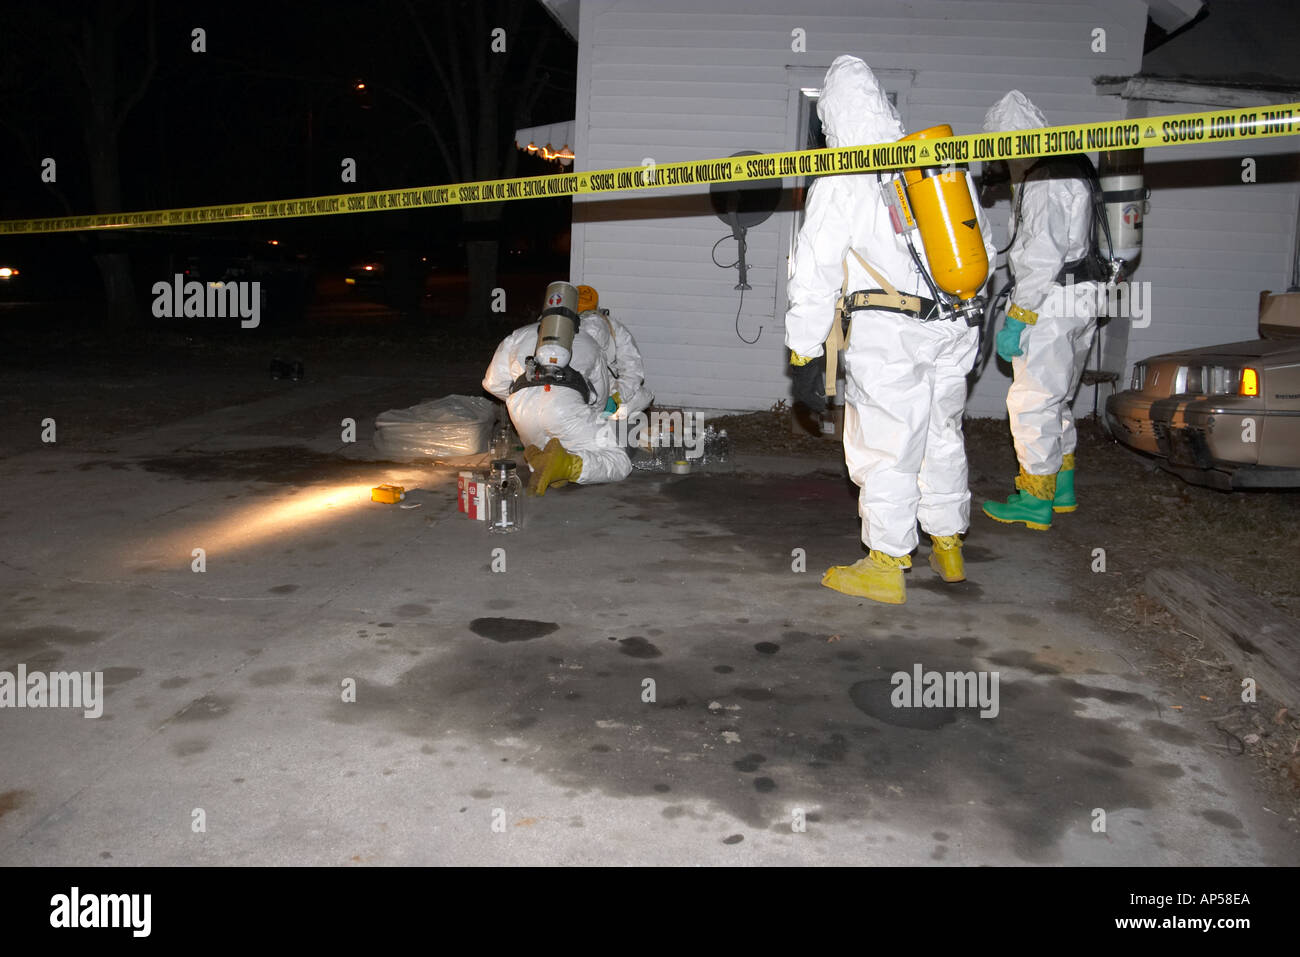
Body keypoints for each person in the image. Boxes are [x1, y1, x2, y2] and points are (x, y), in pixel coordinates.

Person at [785, 55, 996, 605]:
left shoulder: (843, 176)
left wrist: (805, 351)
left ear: (832, 118)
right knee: (941, 434)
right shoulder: (936, 163)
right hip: (956, 323)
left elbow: (813, 272)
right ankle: (948, 545)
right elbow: (987, 250)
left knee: (885, 445)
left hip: (891, 333)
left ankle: (886, 563)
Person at [980, 91, 1104, 530]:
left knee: (1032, 401)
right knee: (1058, 398)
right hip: (1082, 297)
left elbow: (1041, 254)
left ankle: (1034, 501)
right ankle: (1061, 487)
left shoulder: (1041, 178)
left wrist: (1020, 315)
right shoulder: (1072, 166)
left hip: (1050, 301)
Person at [482, 285, 632, 495]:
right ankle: (567, 466)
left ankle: (548, 463)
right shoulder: (589, 342)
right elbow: (599, 397)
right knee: (618, 461)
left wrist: (527, 396)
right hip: (565, 407)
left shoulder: (518, 335)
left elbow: (491, 383)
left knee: (547, 453)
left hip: (521, 410)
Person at [575, 284, 653, 420]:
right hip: (575, 388)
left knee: (642, 396)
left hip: (608, 390)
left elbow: (632, 371)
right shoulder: (561, 330)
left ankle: (608, 422)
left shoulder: (617, 331)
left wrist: (616, 398)